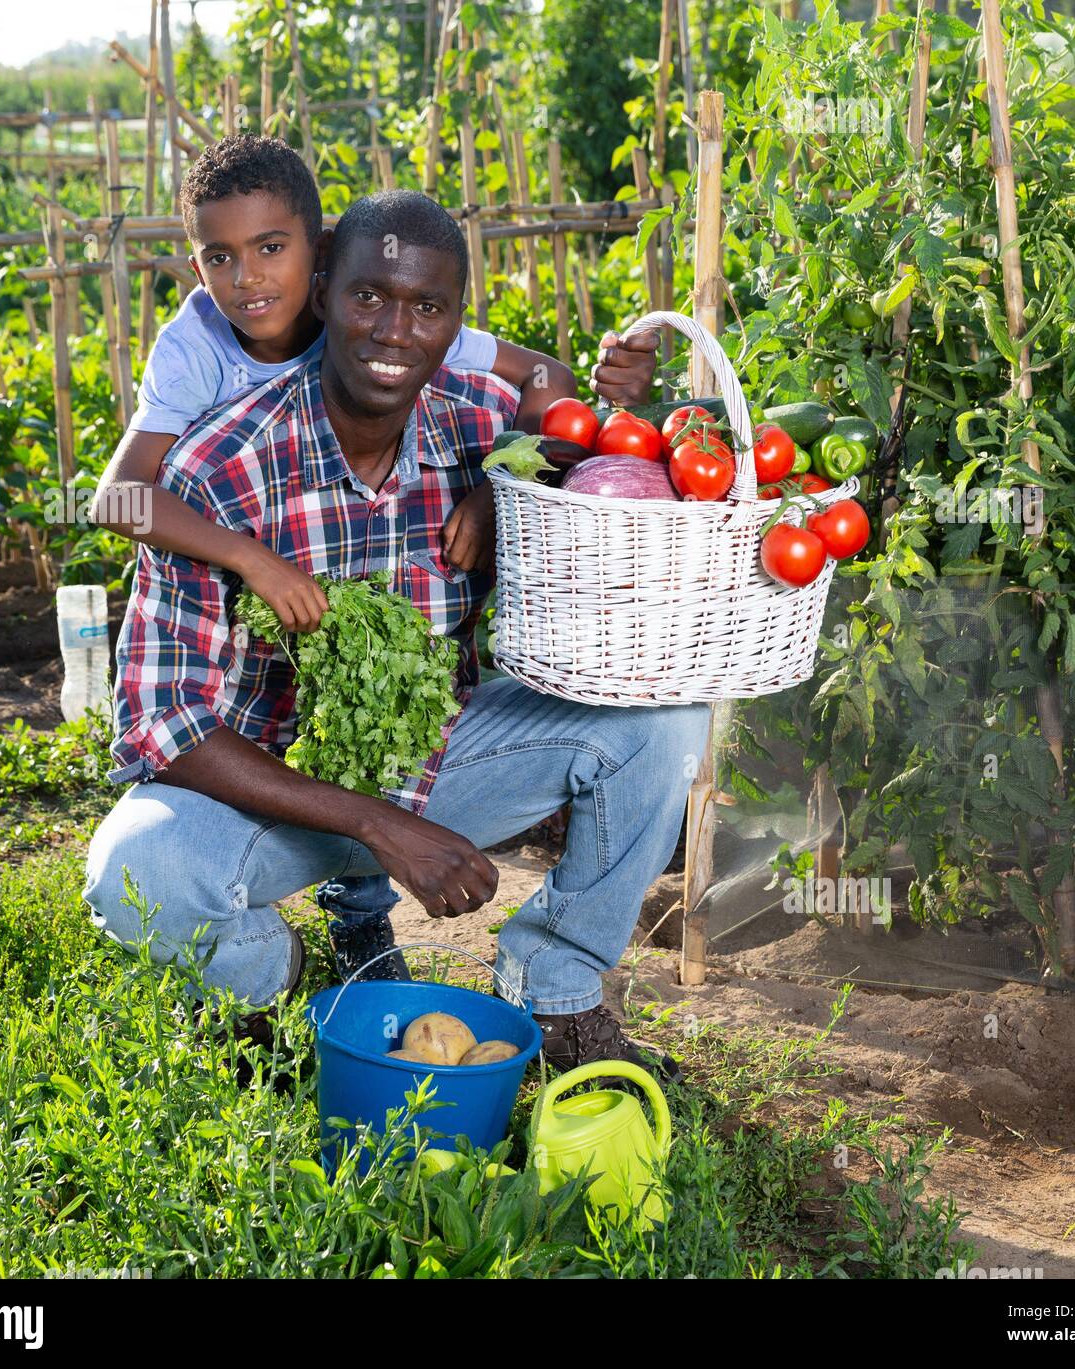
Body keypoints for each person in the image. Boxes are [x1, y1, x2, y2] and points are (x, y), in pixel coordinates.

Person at [88, 134, 660, 985]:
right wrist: (250, 556)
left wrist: (506, 483)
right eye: (221, 257)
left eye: (424, 310)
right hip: (269, 776)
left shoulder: (452, 387)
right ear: (331, 290)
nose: (248, 279)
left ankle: (559, 991)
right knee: (139, 874)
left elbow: (567, 408)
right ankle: (272, 987)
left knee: (659, 720)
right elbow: (161, 713)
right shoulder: (203, 405)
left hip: (429, 762)